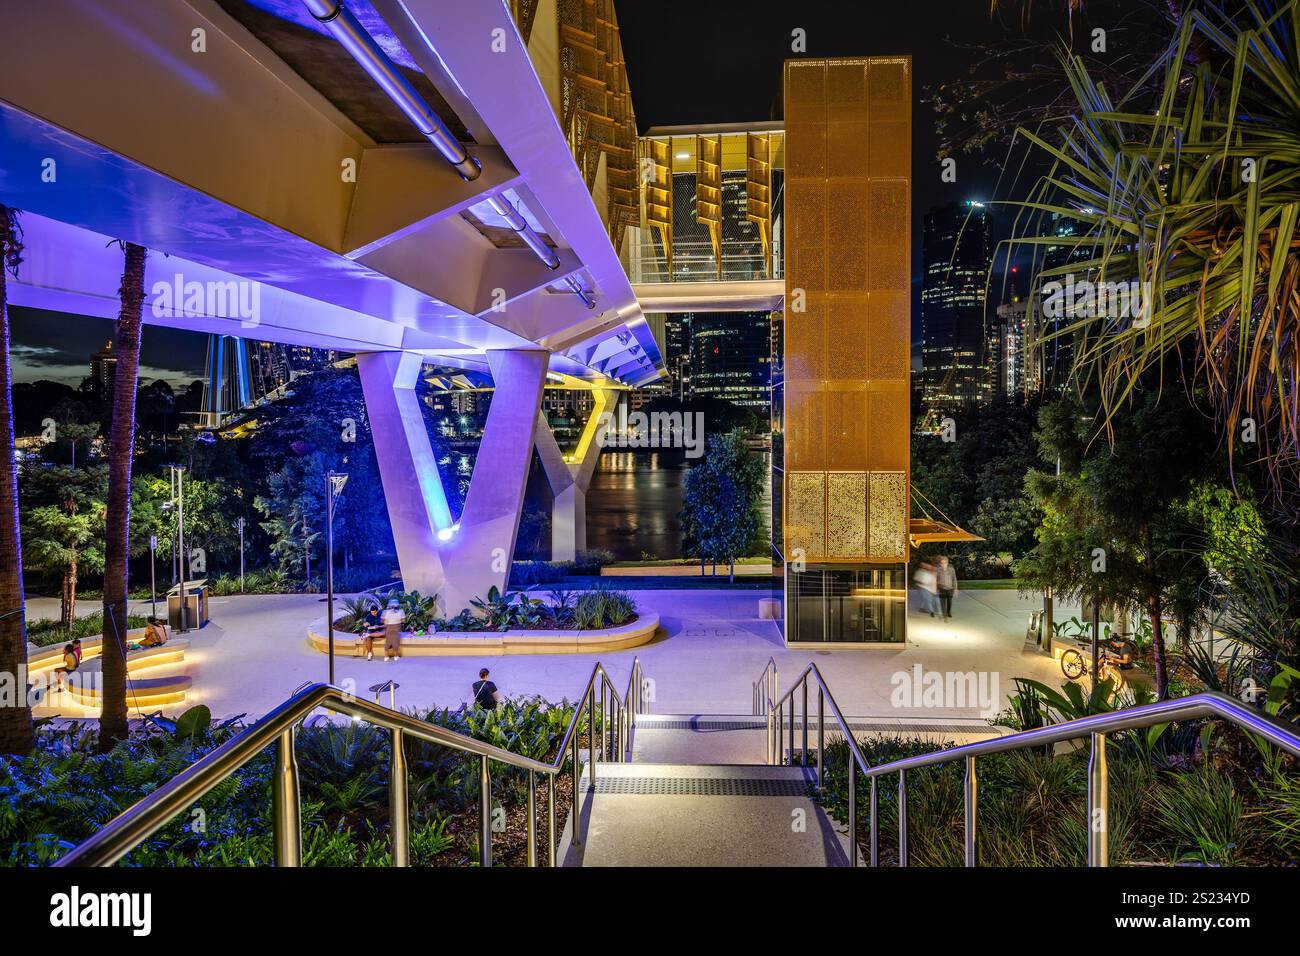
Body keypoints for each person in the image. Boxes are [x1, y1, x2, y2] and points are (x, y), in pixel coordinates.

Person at [381, 598, 405, 662]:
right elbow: (403, 621)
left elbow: (382, 620)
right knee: (396, 642)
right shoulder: (401, 611)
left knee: (388, 642)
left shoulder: (385, 612)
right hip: (397, 627)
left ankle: (386, 657)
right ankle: (396, 656)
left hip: (388, 628)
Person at [936, 556, 958, 620]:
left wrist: (955, 588)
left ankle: (948, 612)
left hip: (950, 588)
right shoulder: (938, 569)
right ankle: (943, 612)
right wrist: (936, 587)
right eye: (941, 563)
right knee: (942, 601)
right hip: (941, 588)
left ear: (947, 562)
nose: (943, 564)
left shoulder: (951, 569)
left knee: (949, 601)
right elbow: (936, 579)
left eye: (944, 562)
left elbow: (954, 579)